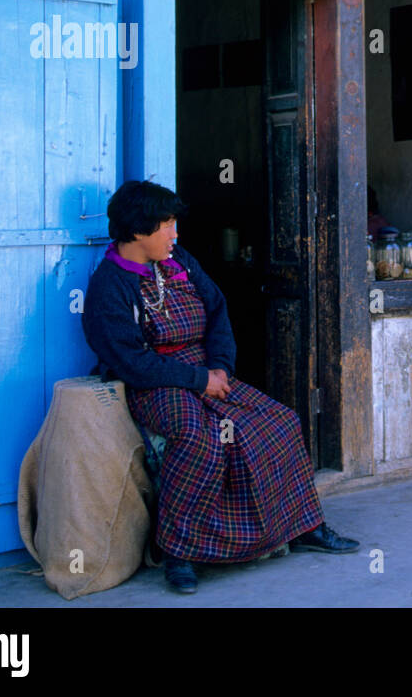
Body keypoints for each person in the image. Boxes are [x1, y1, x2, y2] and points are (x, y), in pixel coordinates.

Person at [82, 180, 359, 594]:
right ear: (138, 231)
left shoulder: (181, 262)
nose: (175, 234)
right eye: (166, 225)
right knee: (199, 438)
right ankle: (179, 551)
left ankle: (303, 526)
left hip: (208, 372)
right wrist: (199, 381)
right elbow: (131, 362)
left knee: (280, 422)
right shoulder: (109, 286)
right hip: (156, 383)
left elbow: (217, 312)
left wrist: (221, 369)